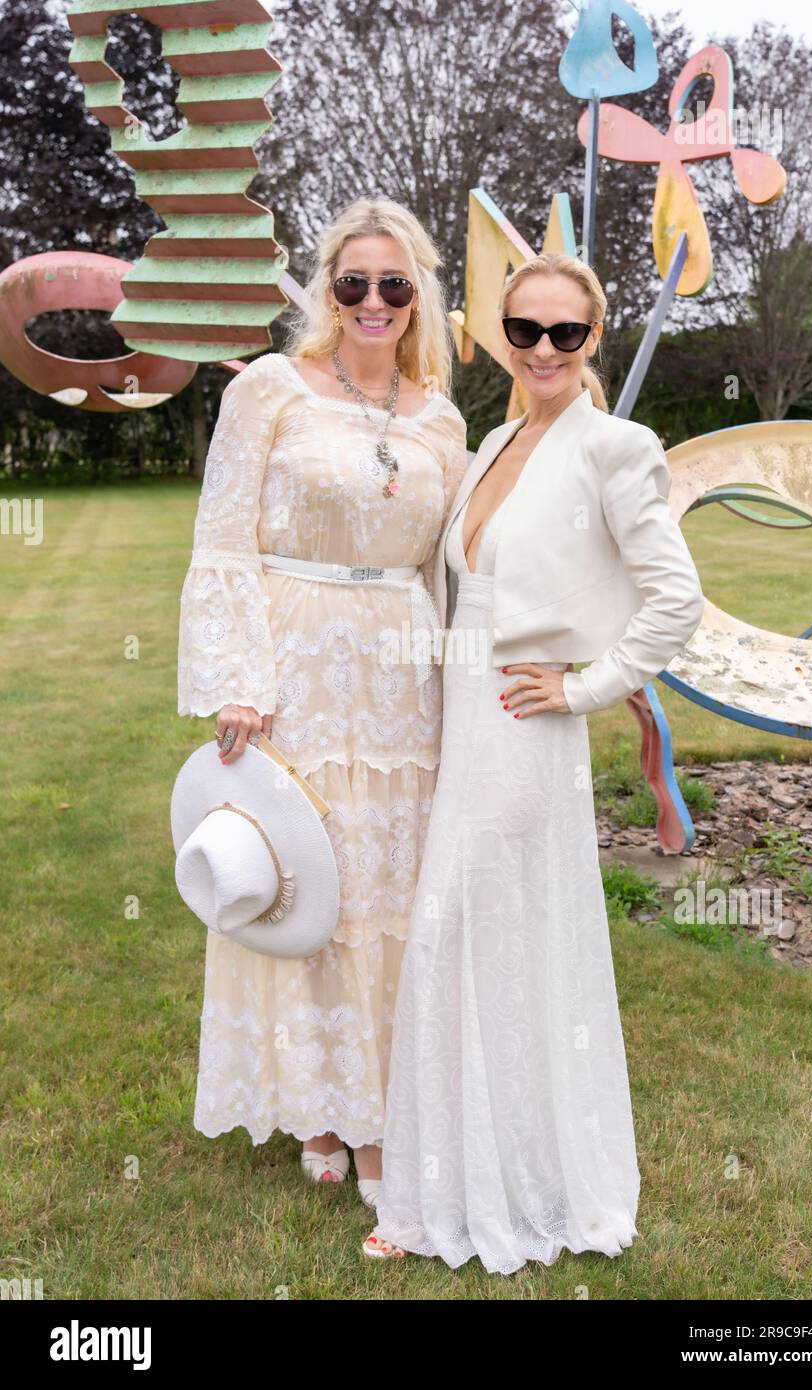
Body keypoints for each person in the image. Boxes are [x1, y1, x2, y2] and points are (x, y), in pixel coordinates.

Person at [363, 251, 704, 1271]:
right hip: (466, 712)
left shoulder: (615, 445)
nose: (544, 349)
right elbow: (463, 589)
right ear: (498, 338)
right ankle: (470, 1179)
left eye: (565, 332)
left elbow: (672, 597)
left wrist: (586, 686)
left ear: (592, 338)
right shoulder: (498, 439)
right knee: (480, 947)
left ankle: (484, 1196)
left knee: (451, 935)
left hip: (525, 720)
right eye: (525, 330)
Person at [176, 198, 467, 1205]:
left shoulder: (440, 416)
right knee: (315, 881)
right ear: (326, 291)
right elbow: (223, 539)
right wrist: (239, 681)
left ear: (418, 292)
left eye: (394, 284)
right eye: (353, 283)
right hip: (296, 670)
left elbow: (452, 568)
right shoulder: (268, 390)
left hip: (402, 677)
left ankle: (384, 1105)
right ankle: (321, 1103)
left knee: (392, 889)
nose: (373, 301)